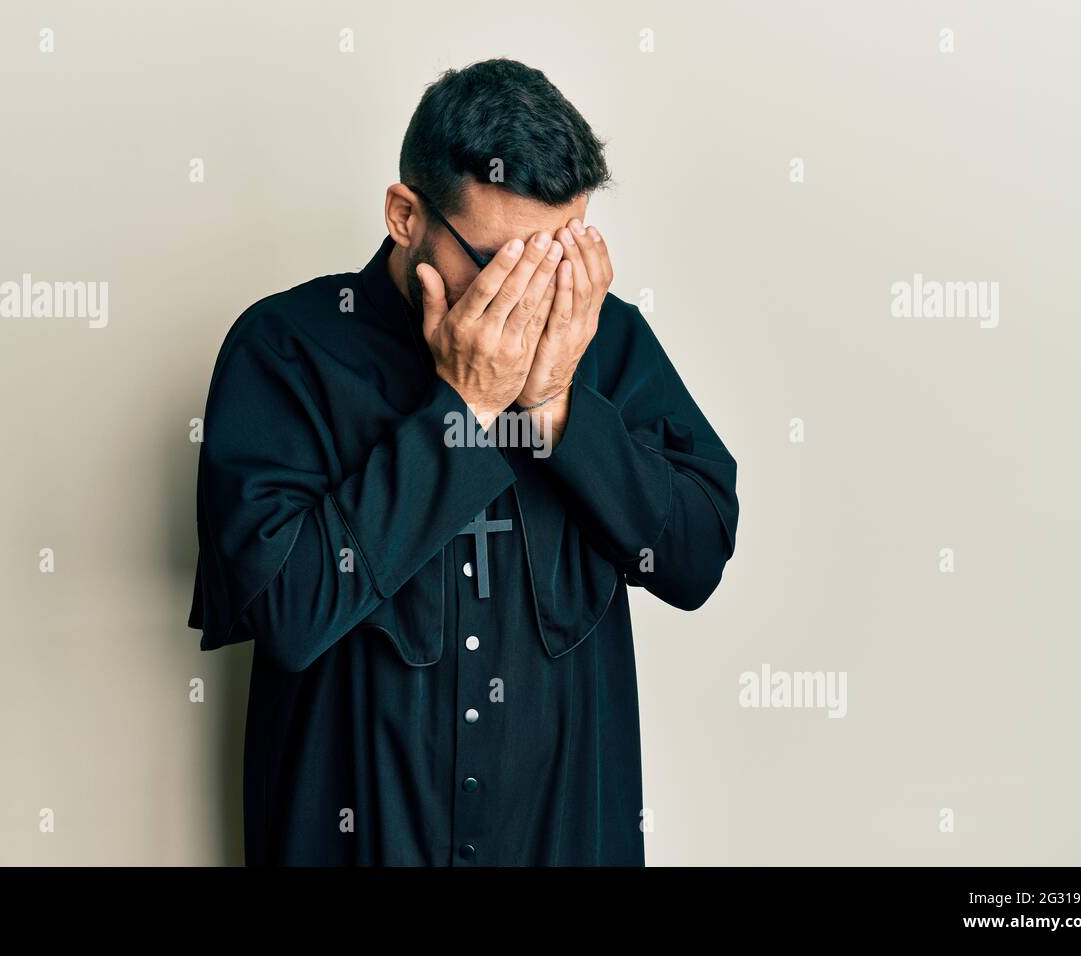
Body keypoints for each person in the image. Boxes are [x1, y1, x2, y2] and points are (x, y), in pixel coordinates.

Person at [187, 57, 739, 865]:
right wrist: (464, 410)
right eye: (501, 263)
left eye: (557, 260)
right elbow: (287, 615)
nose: (533, 297)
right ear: (405, 214)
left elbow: (694, 560)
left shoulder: (603, 338)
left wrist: (556, 407)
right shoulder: (285, 350)